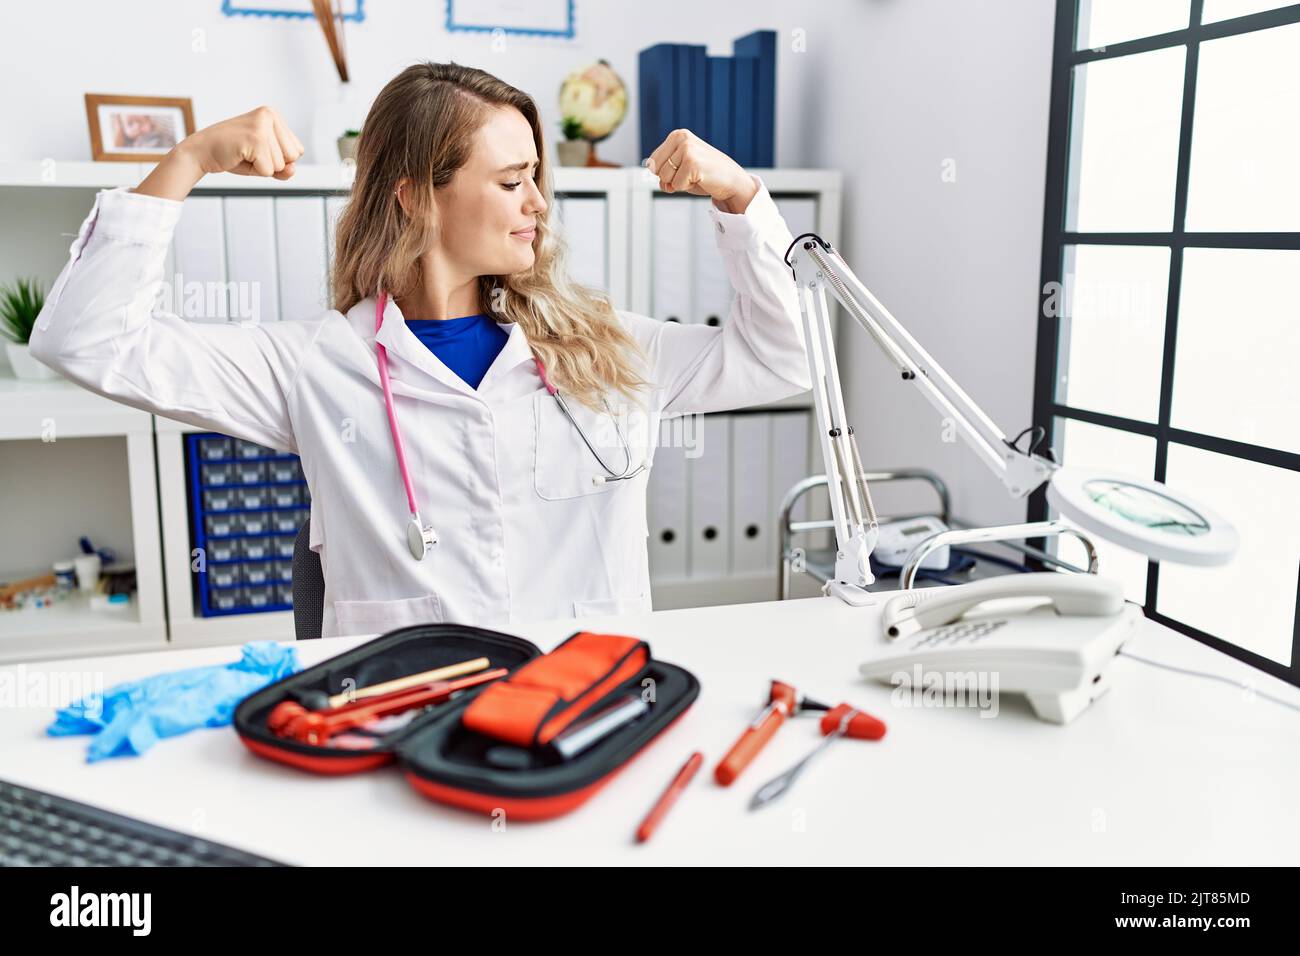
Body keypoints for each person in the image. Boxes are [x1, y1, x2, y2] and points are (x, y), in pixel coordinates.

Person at [30, 61, 811, 638]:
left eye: (536, 178)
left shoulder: (606, 347)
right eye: (512, 182)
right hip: (406, 727)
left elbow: (785, 356)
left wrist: (741, 199)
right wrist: (189, 159)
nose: (539, 204)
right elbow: (87, 341)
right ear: (414, 195)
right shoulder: (317, 365)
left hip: (585, 714)